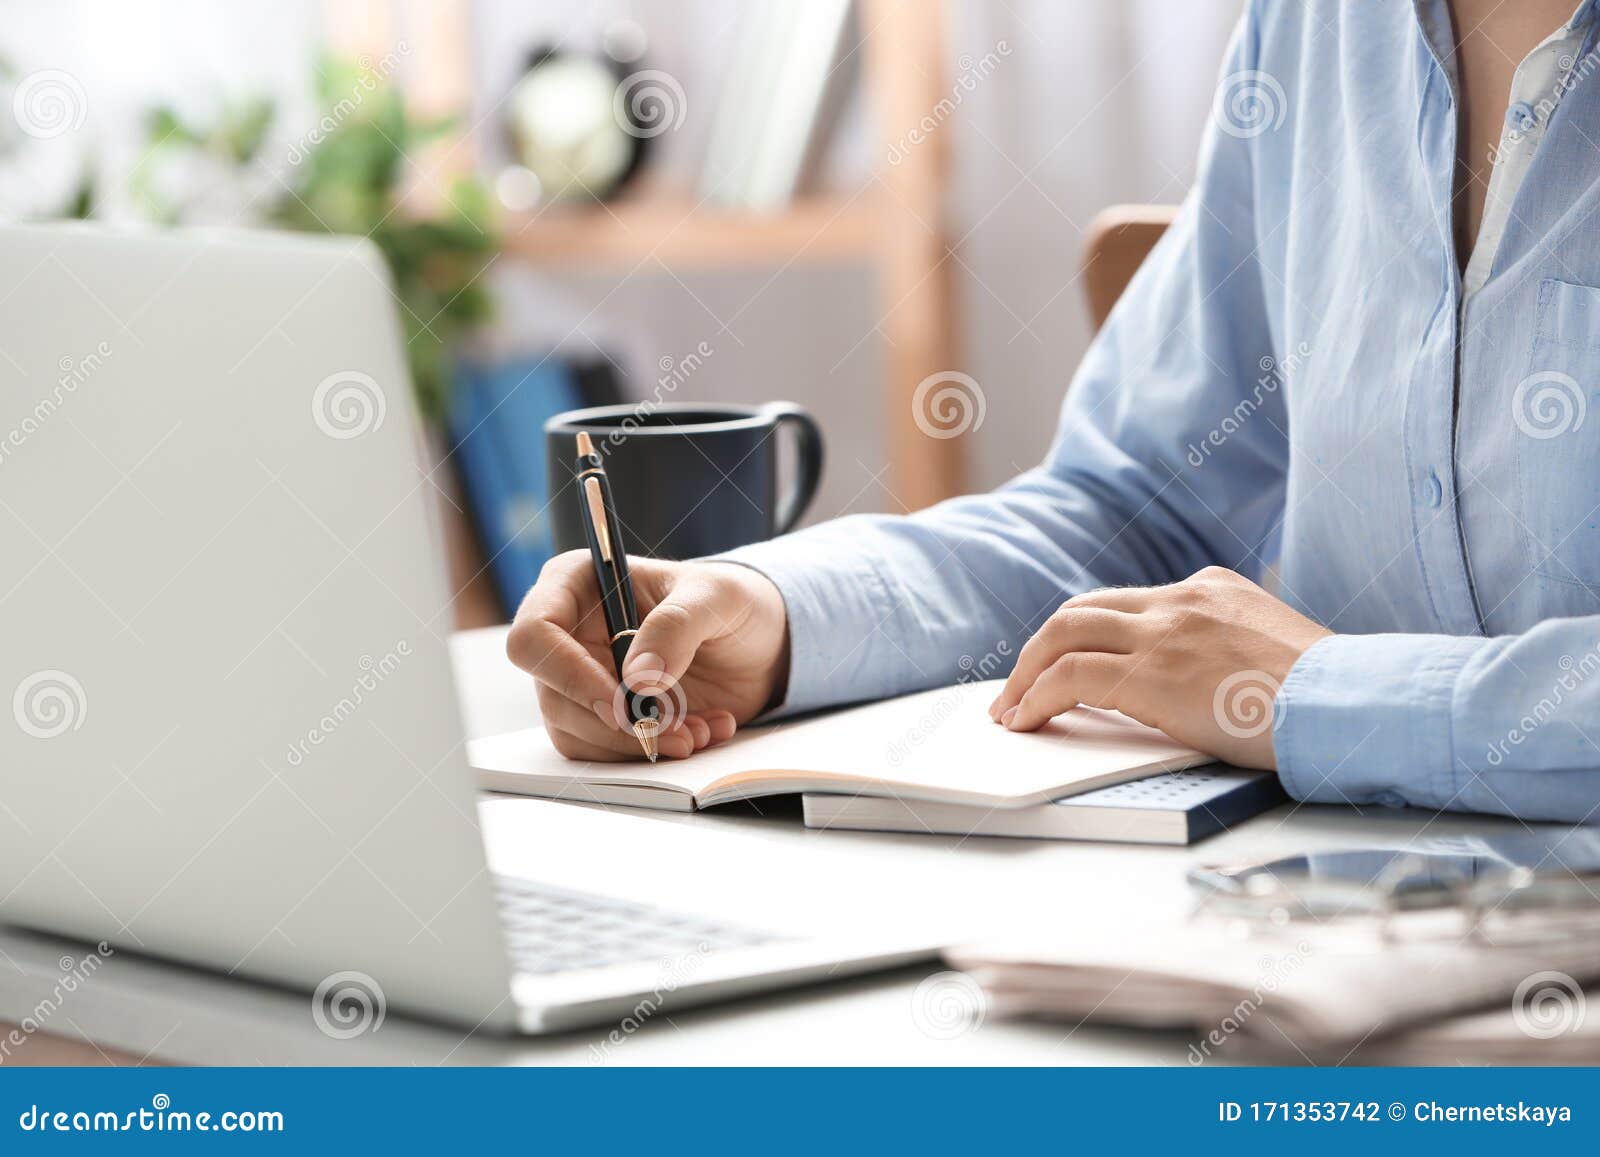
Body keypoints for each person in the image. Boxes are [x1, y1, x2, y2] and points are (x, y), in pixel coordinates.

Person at [508, 0, 1600, 824]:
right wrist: (779, 621)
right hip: (1305, 924)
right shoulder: (1315, 26)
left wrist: (1323, 695)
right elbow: (1135, 508)